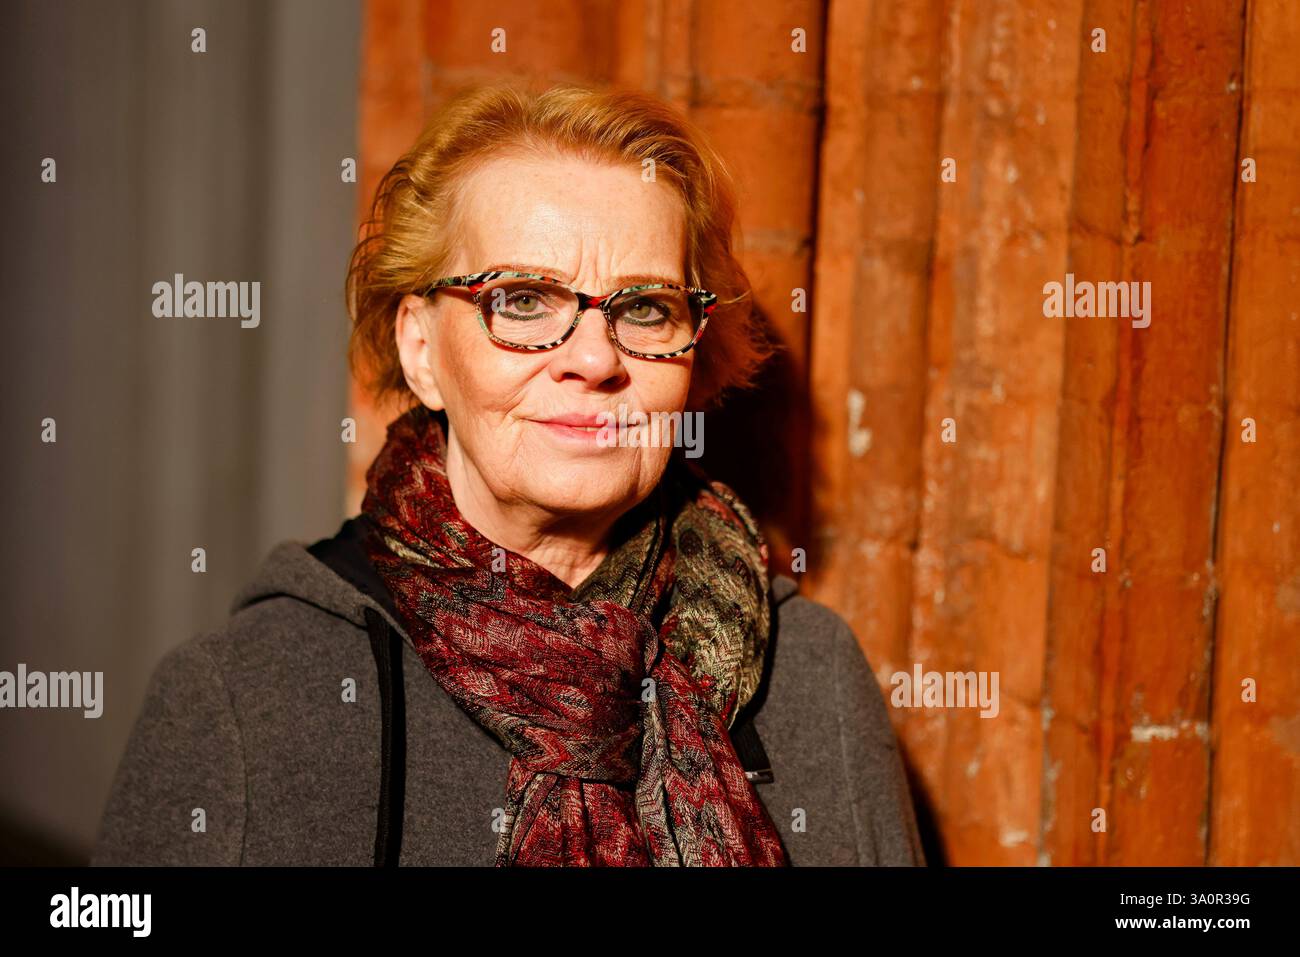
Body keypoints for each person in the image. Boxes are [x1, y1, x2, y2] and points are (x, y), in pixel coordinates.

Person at [92, 83, 926, 867]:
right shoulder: (248, 698)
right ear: (421, 351)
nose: (595, 359)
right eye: (524, 300)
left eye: (644, 307)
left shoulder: (813, 677)